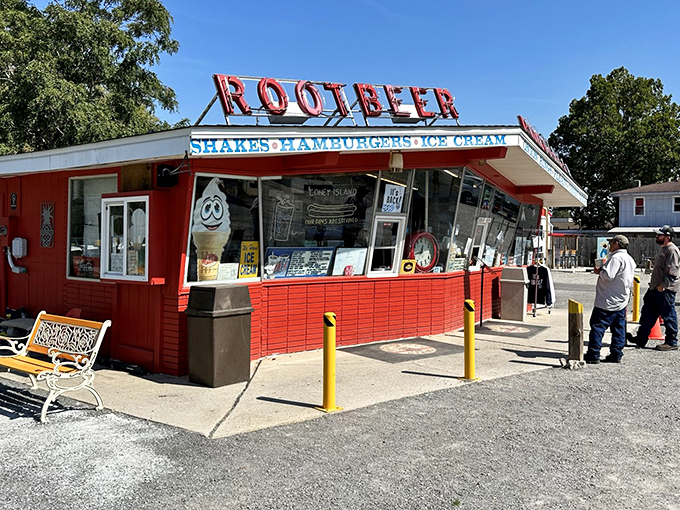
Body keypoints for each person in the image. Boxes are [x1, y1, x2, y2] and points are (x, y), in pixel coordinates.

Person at [584, 234, 636, 364]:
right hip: (622, 299)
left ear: (617, 243)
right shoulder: (629, 259)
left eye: (612, 242)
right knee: (618, 329)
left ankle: (593, 354)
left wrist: (599, 271)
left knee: (598, 327)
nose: (610, 245)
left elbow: (608, 275)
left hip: (607, 300)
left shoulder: (616, 258)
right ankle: (616, 354)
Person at [628, 225, 680, 351]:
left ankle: (671, 341)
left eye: (660, 235)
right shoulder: (664, 249)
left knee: (668, 315)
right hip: (655, 289)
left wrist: (663, 286)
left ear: (667, 237)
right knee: (647, 314)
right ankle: (640, 339)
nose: (657, 237)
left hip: (665, 290)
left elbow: (673, 271)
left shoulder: (671, 250)